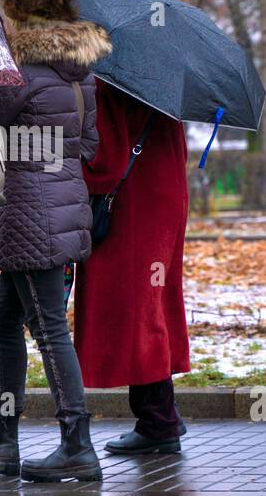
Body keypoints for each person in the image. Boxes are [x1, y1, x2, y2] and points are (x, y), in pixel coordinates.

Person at [0, 0, 111, 483]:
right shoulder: (83, 75)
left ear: (21, 10)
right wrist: (47, 154)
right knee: (4, 317)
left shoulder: (17, 71)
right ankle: (4, 437)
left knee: (48, 327)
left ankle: (77, 443)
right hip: (63, 209)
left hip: (27, 212)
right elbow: (86, 149)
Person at [74, 80, 190, 454]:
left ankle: (160, 421)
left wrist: (71, 167)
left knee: (136, 312)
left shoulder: (114, 86)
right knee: (153, 306)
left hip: (131, 209)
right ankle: (159, 414)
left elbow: (105, 166)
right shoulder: (166, 88)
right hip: (163, 198)